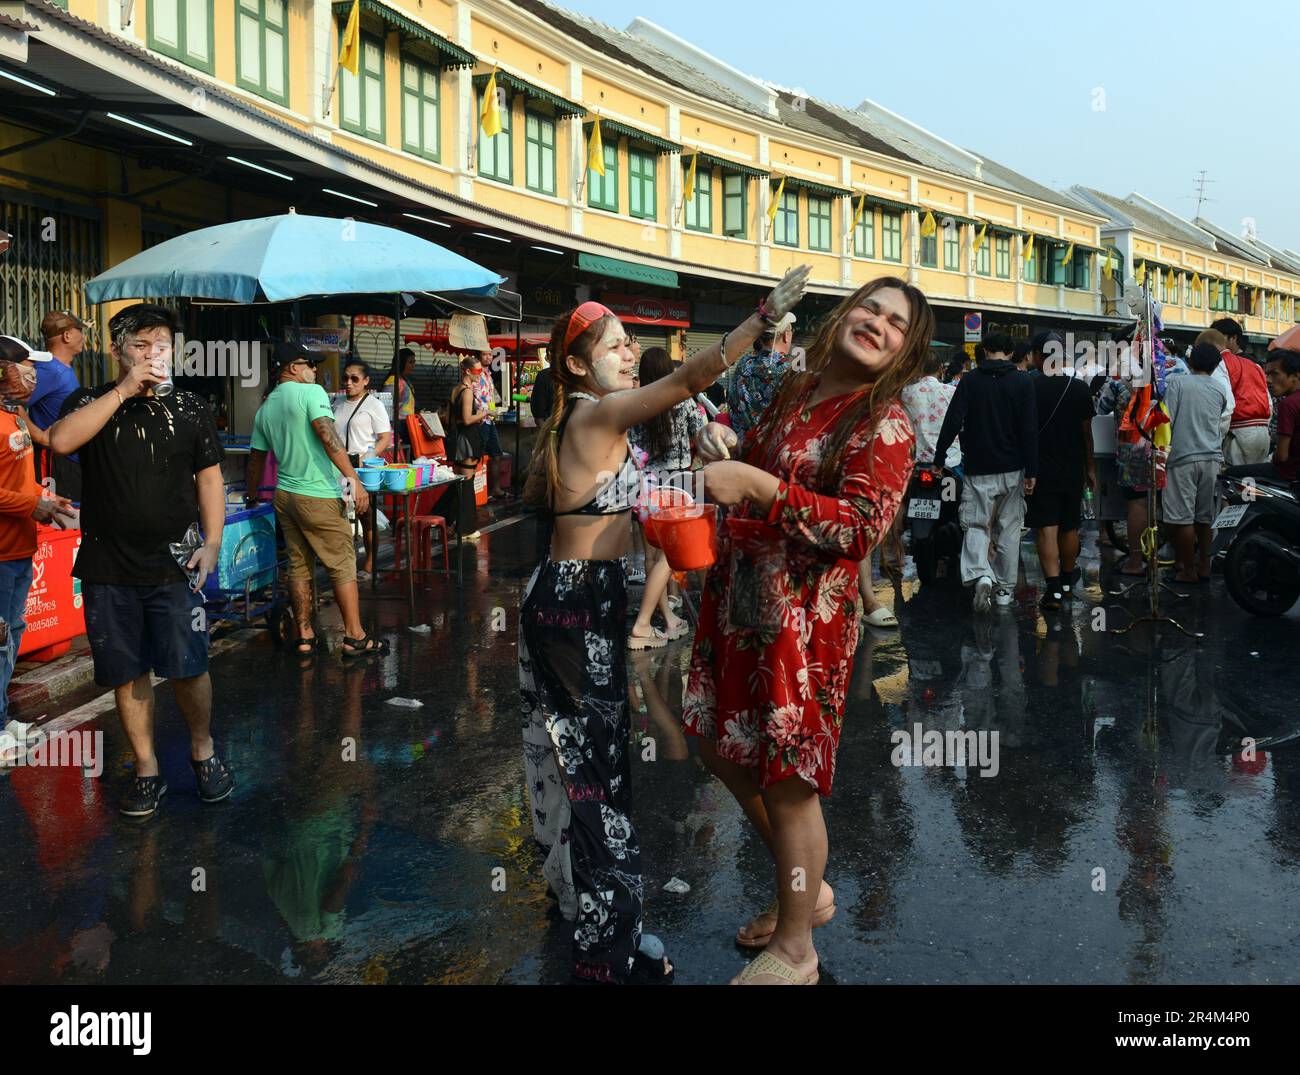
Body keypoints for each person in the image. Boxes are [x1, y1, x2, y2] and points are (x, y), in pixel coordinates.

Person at [518, 265, 811, 985]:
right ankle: (606, 949)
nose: (627, 353)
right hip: (573, 605)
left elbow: (635, 501)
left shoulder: (596, 423)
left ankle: (593, 907)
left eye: (627, 343)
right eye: (614, 345)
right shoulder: (593, 413)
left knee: (587, 766)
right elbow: (681, 383)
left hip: (581, 601)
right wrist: (759, 319)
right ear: (577, 364)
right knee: (596, 778)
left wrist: (710, 461)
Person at [684, 276, 927, 985]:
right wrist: (722, 443)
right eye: (870, 308)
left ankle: (796, 948)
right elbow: (758, 460)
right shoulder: (799, 385)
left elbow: (855, 528)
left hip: (805, 621)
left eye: (895, 323)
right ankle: (807, 889)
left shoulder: (884, 423)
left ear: (905, 349)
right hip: (743, 598)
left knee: (789, 781)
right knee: (719, 742)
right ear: (846, 314)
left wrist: (756, 487)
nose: (877, 324)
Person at [47, 303, 233, 819]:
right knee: (127, 673)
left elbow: (210, 479)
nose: (154, 356)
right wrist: (124, 390)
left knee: (189, 667)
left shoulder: (191, 407)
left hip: (175, 564)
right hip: (108, 565)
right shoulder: (91, 400)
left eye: (163, 346)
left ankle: (203, 751)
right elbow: (61, 441)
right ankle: (147, 768)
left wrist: (213, 542)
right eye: (141, 346)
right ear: (116, 350)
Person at [247, 342, 388, 661]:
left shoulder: (266, 406)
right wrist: (353, 479)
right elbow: (327, 435)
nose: (315, 370)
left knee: (298, 565)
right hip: (318, 494)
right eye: (310, 364)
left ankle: (305, 635)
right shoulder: (311, 394)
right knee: (341, 563)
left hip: (285, 496)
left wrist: (253, 496)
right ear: (292, 368)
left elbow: (256, 460)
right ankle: (354, 636)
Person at [0, 338, 74, 759]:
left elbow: (16, 482)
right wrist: (33, 504)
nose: (32, 375)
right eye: (23, 366)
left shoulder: (15, 418)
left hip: (20, 548)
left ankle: (3, 714)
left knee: (11, 636)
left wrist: (43, 500)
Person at [933, 331, 1038, 612]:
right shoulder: (1022, 381)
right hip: (1013, 468)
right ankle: (1004, 589)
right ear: (1009, 351)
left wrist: (939, 456)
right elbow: (1029, 429)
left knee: (977, 524)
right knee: (1009, 528)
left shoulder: (970, 381)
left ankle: (981, 574)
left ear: (986, 350)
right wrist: (1032, 469)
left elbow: (953, 420)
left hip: (978, 468)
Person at [626, 347, 703, 648]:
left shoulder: (635, 403)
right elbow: (700, 434)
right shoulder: (682, 400)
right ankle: (656, 620)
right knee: (670, 556)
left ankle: (666, 616)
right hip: (677, 481)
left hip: (645, 484)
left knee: (651, 557)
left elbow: (630, 447)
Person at [1024, 330, 1096, 609]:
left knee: (1046, 528)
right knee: (1070, 527)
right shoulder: (1079, 389)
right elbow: (1087, 433)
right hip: (1073, 467)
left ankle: (1053, 590)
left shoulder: (1030, 387)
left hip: (1041, 468)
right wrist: (1090, 468)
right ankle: (1066, 582)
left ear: (1040, 356)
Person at [1163, 342, 1229, 584]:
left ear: (1190, 362)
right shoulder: (1220, 388)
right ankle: (1205, 566)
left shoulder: (1178, 383)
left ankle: (1187, 570)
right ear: (1216, 366)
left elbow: (1166, 420)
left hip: (1182, 458)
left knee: (1182, 518)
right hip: (1212, 457)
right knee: (1205, 517)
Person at [333, 359, 392, 578]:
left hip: (361, 469)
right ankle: (344, 565)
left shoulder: (373, 405)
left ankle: (370, 563)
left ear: (366, 381)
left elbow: (385, 437)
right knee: (341, 516)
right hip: (338, 468)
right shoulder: (337, 403)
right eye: (346, 378)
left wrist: (369, 455)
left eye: (354, 379)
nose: (349, 383)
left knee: (364, 515)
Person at [27, 311, 86, 500]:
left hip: (69, 459)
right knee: (57, 520)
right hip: (55, 462)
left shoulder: (61, 368)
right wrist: (39, 436)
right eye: (80, 331)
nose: (83, 337)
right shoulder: (50, 369)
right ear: (67, 336)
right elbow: (11, 401)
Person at [726, 311, 796, 447]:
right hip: (773, 454)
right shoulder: (790, 369)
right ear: (786, 336)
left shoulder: (744, 363)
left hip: (743, 451)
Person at [1207, 318, 1271, 465]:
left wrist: (1217, 439)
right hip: (1261, 433)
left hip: (1239, 432)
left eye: (1217, 336)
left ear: (1233, 338)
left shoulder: (1222, 362)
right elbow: (1268, 403)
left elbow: (1226, 406)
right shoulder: (1255, 365)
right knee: (1255, 483)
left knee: (1237, 483)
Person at [447, 356, 488, 483]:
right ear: (468, 371)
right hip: (467, 440)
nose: (480, 374)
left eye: (481, 371)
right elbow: (467, 419)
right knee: (466, 485)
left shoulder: (455, 389)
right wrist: (485, 413)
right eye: (477, 371)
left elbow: (450, 417)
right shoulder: (467, 392)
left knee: (458, 486)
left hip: (457, 438)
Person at [473, 355, 506, 497]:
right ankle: (476, 491)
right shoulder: (475, 374)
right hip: (480, 420)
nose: (489, 356)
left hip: (490, 419)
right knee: (478, 456)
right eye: (485, 354)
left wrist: (493, 411)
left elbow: (490, 397)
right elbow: (473, 396)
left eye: (490, 353)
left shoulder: (488, 374)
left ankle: (496, 489)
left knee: (497, 454)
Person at [383, 348, 418, 456]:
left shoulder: (404, 380)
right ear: (402, 362)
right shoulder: (394, 381)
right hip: (399, 428)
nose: (413, 365)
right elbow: (385, 407)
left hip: (408, 426)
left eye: (414, 362)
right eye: (410, 362)